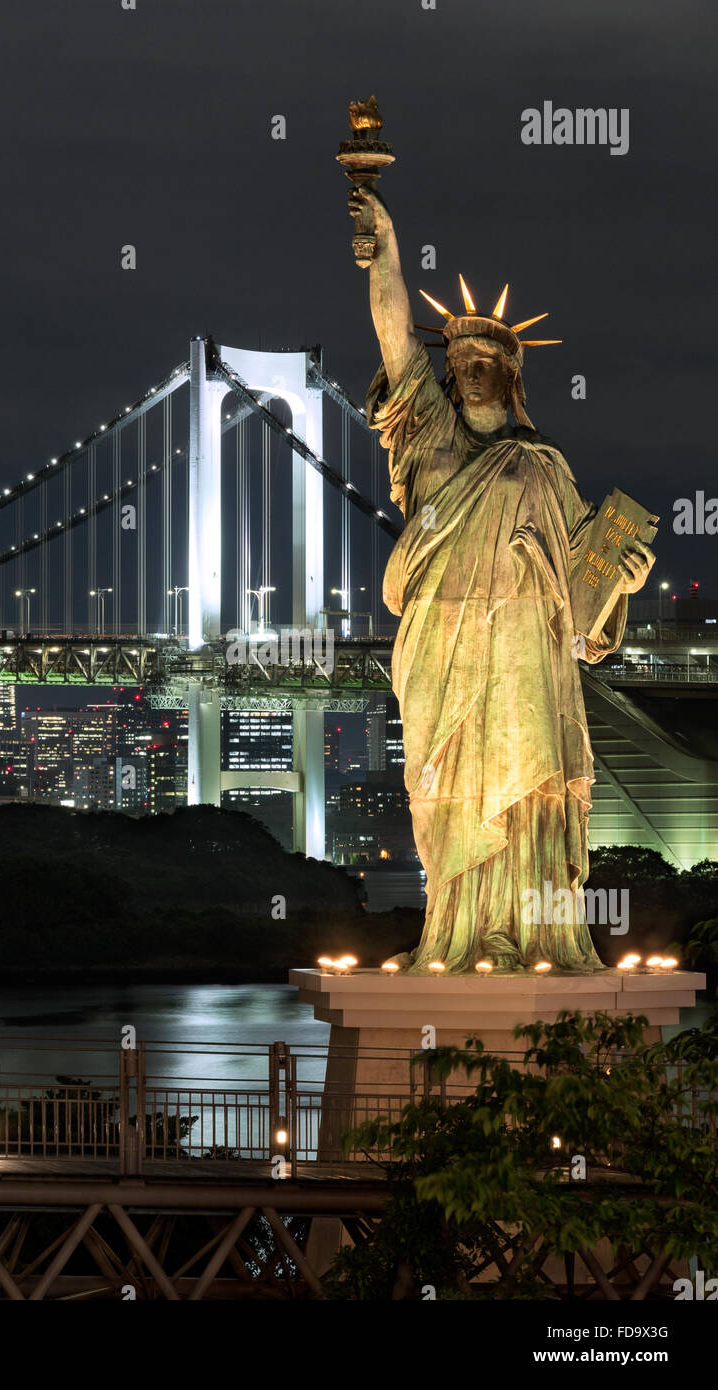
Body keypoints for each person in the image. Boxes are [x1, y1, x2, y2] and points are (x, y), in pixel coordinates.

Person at [349, 183, 654, 973]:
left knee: (529, 792)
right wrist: (383, 246)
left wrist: (625, 576)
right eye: (461, 361)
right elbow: (393, 338)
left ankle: (534, 933)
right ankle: (460, 930)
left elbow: (585, 616)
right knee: (452, 791)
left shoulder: (545, 468)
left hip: (526, 655)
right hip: (447, 650)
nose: (473, 371)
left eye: (487, 361)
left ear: (513, 376)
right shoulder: (431, 441)